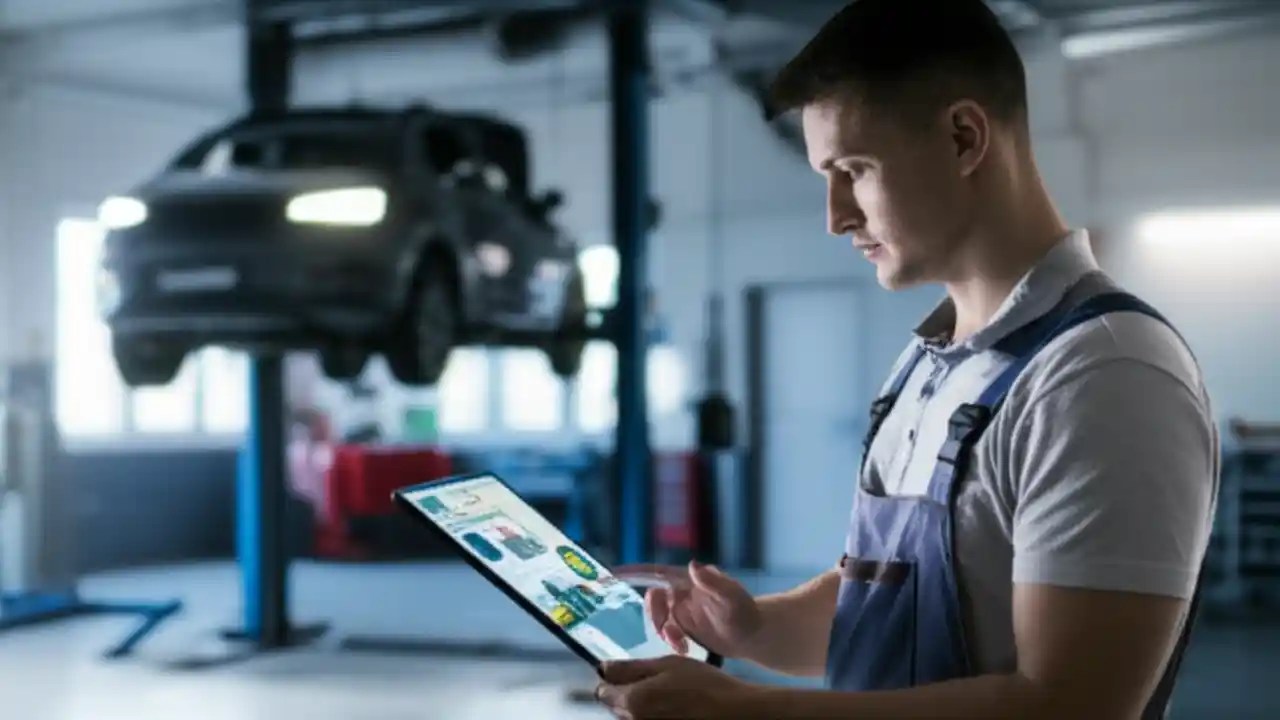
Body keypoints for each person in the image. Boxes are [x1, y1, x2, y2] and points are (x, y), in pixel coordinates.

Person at [595, 1, 1219, 718]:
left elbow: (1071, 706)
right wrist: (754, 629)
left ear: (963, 138)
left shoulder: (1103, 374)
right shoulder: (926, 365)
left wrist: (747, 712)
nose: (835, 216)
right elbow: (884, 607)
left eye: (853, 170)